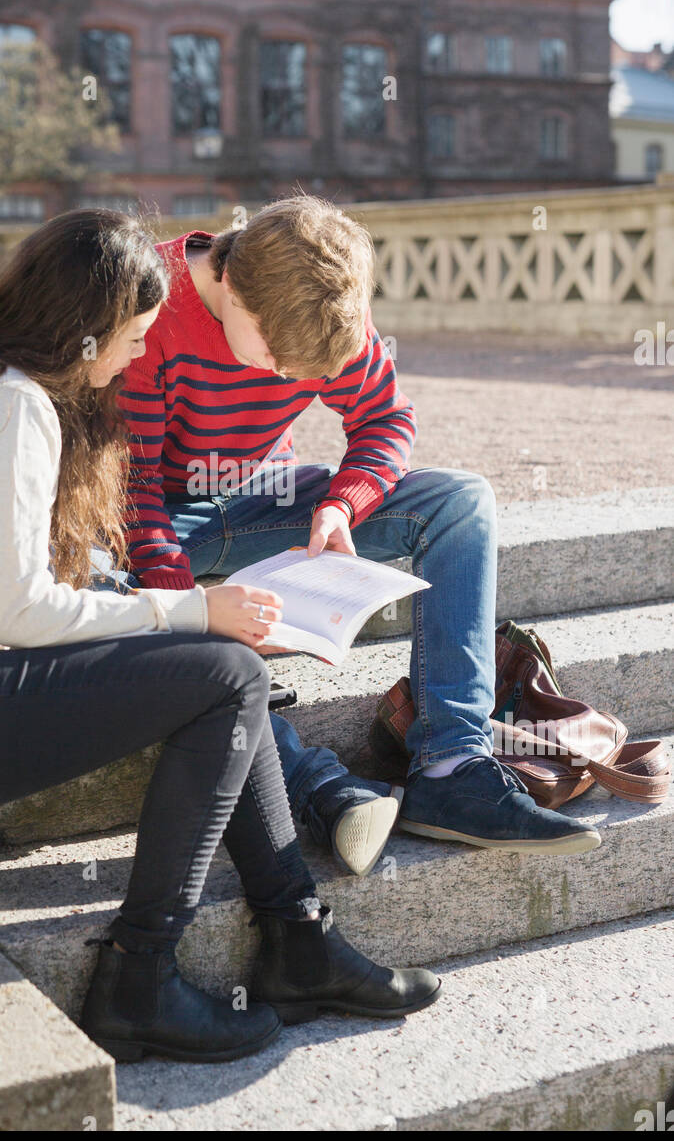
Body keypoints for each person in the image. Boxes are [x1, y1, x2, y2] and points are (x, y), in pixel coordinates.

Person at [0, 209, 441, 1066]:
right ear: (83, 332)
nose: (138, 358)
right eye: (133, 336)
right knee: (224, 671)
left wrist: (184, 620)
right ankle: (143, 977)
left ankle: (297, 943)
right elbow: (24, 615)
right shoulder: (3, 408)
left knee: (224, 674)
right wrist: (192, 611)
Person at [117, 196, 602, 871]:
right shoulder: (149, 304)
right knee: (96, 586)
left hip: (270, 498)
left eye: (302, 373)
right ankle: (317, 784)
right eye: (276, 358)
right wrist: (194, 610)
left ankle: (451, 767)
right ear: (230, 283)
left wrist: (342, 504)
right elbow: (130, 491)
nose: (285, 379)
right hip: (162, 513)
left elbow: (384, 423)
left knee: (462, 500)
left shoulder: (322, 297)